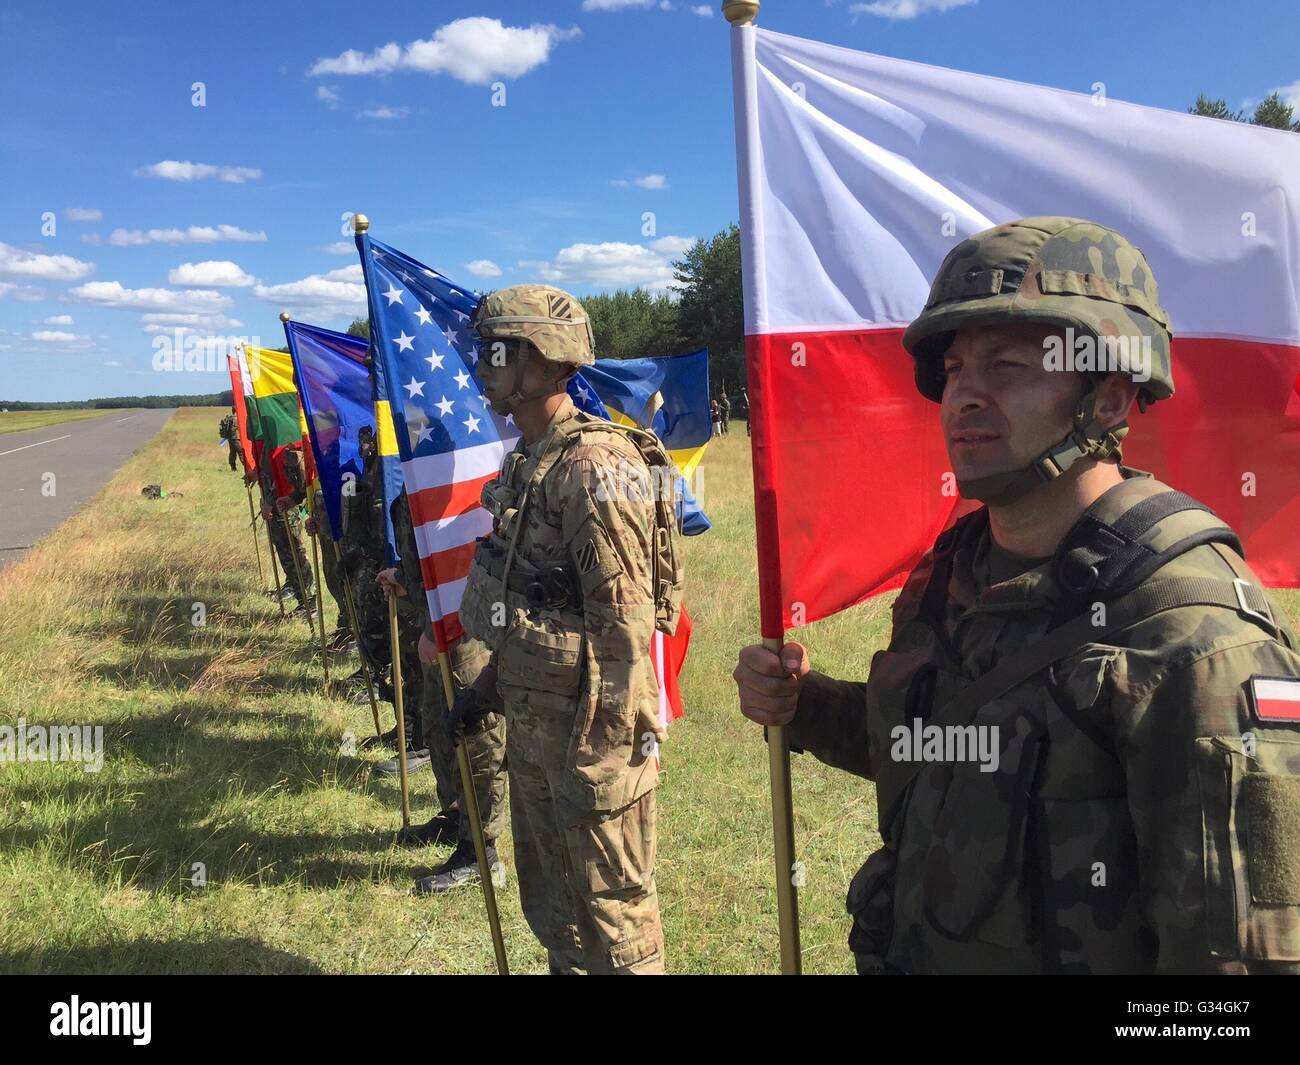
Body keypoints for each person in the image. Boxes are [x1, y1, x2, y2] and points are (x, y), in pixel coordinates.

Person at [733, 217, 1300, 974]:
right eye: (956, 368)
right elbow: (940, 748)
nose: (963, 394)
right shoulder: (953, 572)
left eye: (1005, 365)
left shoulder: (1192, 637)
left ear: (1106, 399)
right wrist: (807, 706)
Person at [454, 283, 683, 974]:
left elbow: (624, 626)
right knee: (559, 914)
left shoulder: (594, 466)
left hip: (593, 739)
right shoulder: (531, 460)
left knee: (615, 923)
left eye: (497, 351)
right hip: (538, 728)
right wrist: (489, 685)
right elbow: (536, 593)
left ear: (544, 360)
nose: (481, 364)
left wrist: (604, 765)